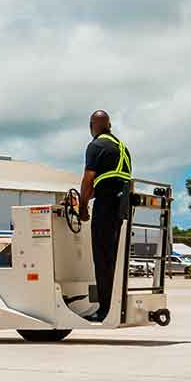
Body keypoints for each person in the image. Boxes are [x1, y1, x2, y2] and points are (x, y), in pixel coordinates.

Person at [78, 109, 132, 320]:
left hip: (106, 206)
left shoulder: (96, 145)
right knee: (114, 257)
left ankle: (104, 309)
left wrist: (82, 208)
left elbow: (88, 179)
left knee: (101, 257)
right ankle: (115, 304)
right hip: (122, 206)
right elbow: (109, 181)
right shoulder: (123, 148)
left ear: (94, 125)